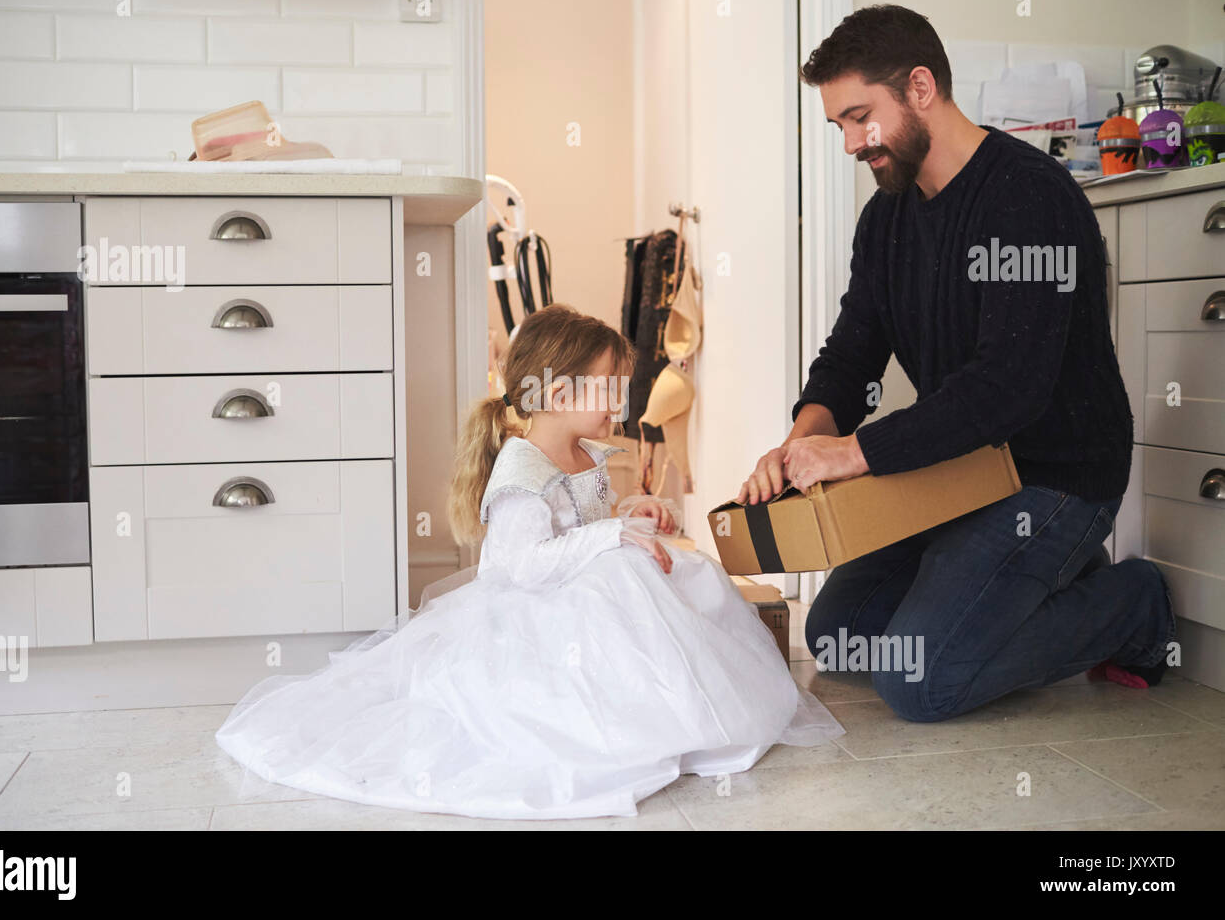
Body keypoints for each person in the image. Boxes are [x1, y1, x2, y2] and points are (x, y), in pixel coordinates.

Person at [217, 303, 844, 820]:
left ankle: (681, 712)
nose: (619, 400)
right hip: (535, 608)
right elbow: (515, 567)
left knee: (682, 577)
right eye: (608, 386)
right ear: (559, 390)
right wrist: (612, 541)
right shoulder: (523, 469)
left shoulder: (583, 453)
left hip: (582, 589)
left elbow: (588, 522)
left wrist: (631, 513)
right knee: (617, 591)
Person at [736, 4, 1175, 722]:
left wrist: (853, 454)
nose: (850, 143)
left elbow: (1007, 391)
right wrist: (798, 447)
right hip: (961, 470)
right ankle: (1035, 583)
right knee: (839, 639)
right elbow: (852, 356)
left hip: (1055, 475)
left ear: (918, 87)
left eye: (859, 118)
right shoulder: (887, 217)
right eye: (838, 126)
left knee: (922, 684)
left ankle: (1133, 608)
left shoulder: (1030, 197)